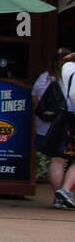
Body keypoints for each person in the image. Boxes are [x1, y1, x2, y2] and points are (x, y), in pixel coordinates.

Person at [34, 47, 75, 208]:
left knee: (57, 160)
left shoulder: (49, 77)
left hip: (61, 121)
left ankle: (59, 198)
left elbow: (36, 98)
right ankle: (65, 190)